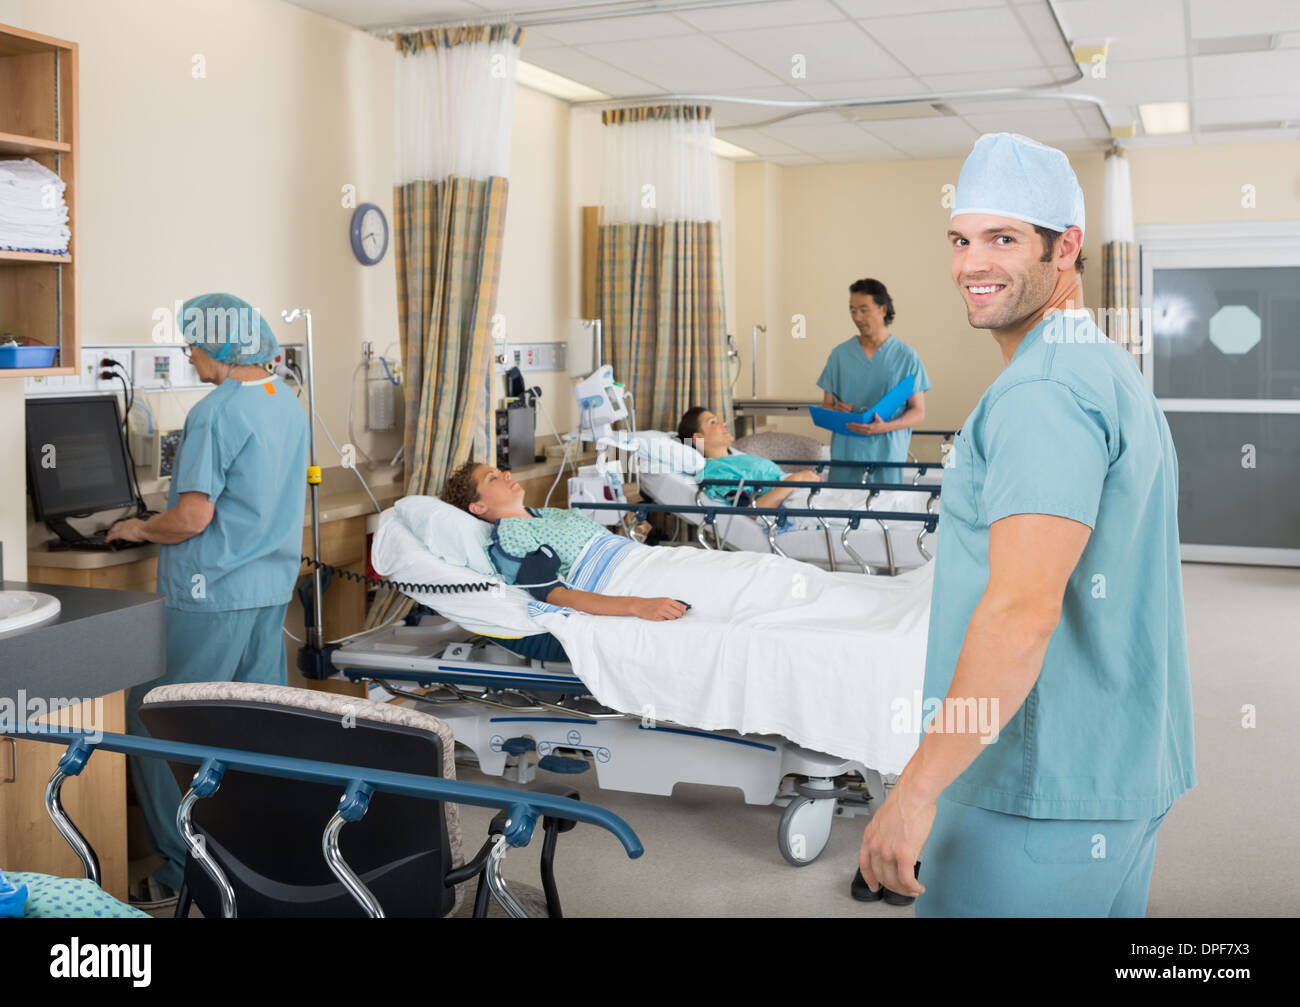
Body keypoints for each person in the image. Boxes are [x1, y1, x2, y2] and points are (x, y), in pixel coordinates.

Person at [855, 133, 1196, 917]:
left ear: (1066, 246)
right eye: (961, 239)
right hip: (1120, 768)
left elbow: (1020, 613)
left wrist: (917, 787)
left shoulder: (1041, 391)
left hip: (1034, 791)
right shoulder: (1105, 367)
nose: (972, 263)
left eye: (1003, 239)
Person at [107, 292, 309, 908]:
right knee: (247, 725)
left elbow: (193, 517)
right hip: (266, 591)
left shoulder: (217, 412)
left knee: (161, 723)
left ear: (221, 345)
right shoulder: (286, 401)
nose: (188, 356)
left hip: (210, 592)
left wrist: (139, 528)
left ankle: (182, 871)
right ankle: (248, 864)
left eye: (192, 344)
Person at [441, 462, 688, 621]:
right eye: (492, 478)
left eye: (500, 470)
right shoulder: (510, 535)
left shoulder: (549, 513)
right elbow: (554, 595)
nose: (506, 473)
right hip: (628, 583)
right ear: (478, 506)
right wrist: (637, 606)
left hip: (648, 561)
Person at [817, 279, 931, 483]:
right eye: (852, 310)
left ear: (883, 310)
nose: (857, 317)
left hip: (887, 456)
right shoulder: (840, 356)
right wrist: (835, 411)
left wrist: (884, 427)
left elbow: (918, 411)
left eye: (863, 310)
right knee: (838, 512)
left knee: (884, 512)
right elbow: (826, 405)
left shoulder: (906, 356)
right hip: (846, 455)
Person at [676, 407, 821, 507]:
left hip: (805, 495)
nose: (723, 423)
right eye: (713, 422)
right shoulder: (715, 471)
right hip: (795, 504)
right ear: (698, 438)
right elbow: (750, 511)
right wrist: (795, 479)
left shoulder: (739, 458)